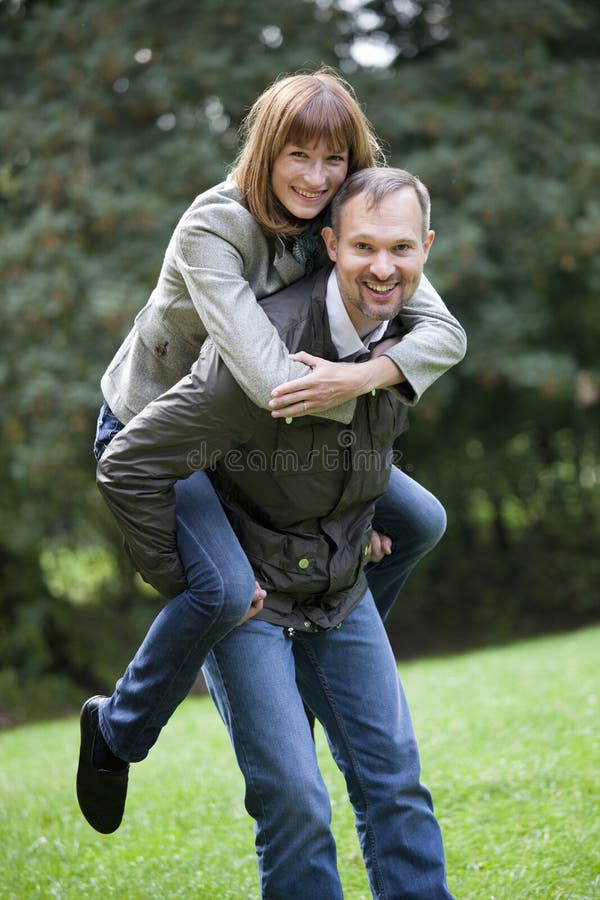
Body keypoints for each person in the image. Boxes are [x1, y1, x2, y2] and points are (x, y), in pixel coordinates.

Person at [78, 69, 465, 834]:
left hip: (277, 438)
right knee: (222, 592)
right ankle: (117, 727)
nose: (317, 178)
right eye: (299, 156)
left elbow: (443, 332)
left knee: (418, 519)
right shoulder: (213, 229)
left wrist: (370, 373)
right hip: (161, 435)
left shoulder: (343, 226)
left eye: (334, 160)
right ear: (265, 151)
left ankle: (327, 656)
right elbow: (268, 381)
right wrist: (381, 384)